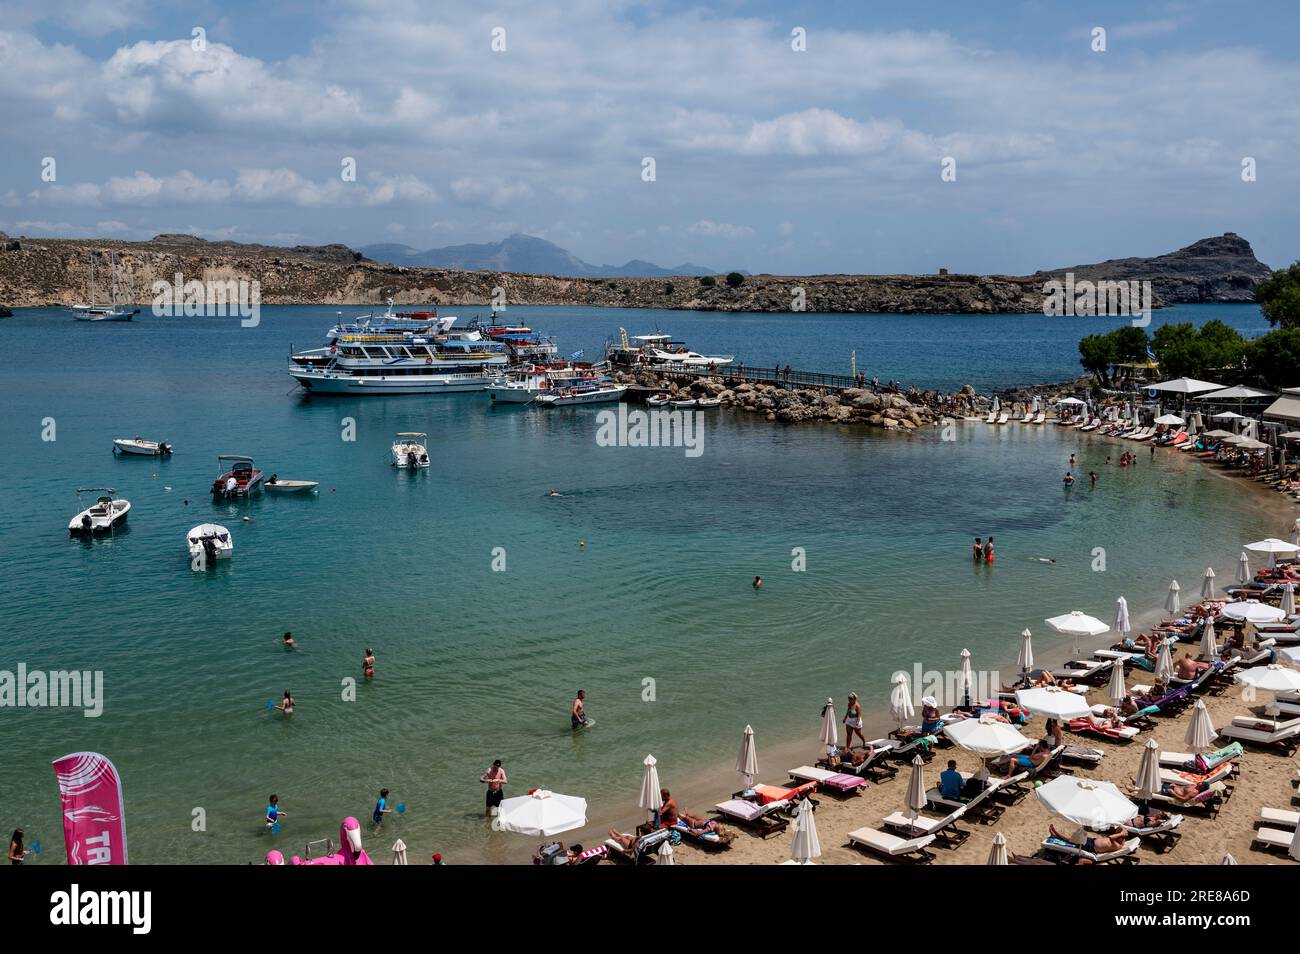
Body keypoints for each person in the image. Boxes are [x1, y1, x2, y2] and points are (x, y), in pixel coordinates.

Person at [1049, 824, 1126, 855]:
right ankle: (1056, 835)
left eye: (1120, 836)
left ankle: (1056, 834)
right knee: (1074, 837)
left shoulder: (1118, 845)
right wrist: (1121, 833)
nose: (1118, 835)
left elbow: (1111, 837)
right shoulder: (1116, 839)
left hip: (1092, 847)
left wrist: (1121, 834)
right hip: (1092, 841)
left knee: (1072, 839)